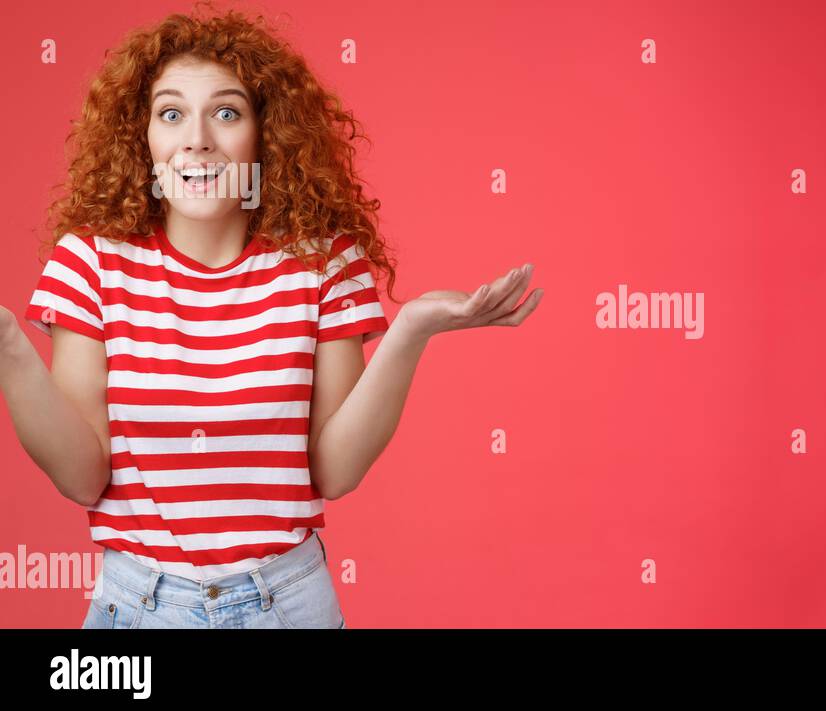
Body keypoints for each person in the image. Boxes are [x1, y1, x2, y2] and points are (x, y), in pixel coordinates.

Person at [0, 7, 542, 629]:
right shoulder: (92, 262)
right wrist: (8, 347)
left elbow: (334, 472)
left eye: (225, 113)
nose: (197, 138)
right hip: (137, 609)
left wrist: (412, 330)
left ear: (264, 134)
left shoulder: (323, 262)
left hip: (286, 607)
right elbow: (81, 478)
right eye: (171, 113)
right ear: (141, 136)